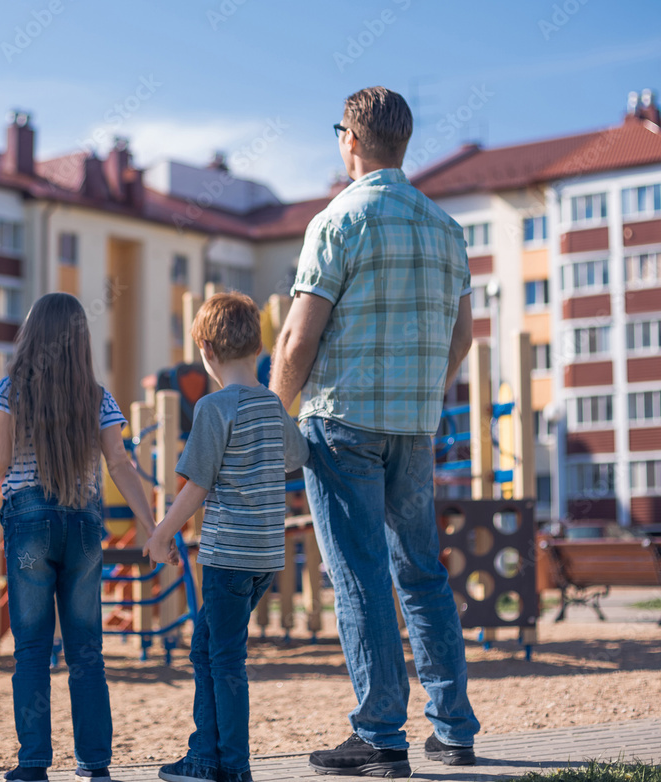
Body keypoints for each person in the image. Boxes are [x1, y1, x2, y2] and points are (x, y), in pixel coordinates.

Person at [269, 86, 480, 777]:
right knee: (421, 575)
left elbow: (299, 338)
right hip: (412, 426)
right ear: (405, 142)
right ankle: (452, 729)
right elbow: (463, 336)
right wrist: (425, 392)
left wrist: (273, 415)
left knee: (358, 576)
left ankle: (381, 735)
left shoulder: (340, 220)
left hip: (342, 422)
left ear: (350, 141)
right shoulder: (447, 229)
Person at [0, 292, 156, 782]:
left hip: (29, 522)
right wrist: (153, 526)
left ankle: (33, 765)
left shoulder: (12, 390)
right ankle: (95, 764)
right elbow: (120, 463)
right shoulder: (98, 396)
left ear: (31, 335)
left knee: (31, 649)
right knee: (86, 651)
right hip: (84, 525)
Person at [145, 293, 309, 782]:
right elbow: (294, 457)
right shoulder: (273, 407)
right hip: (264, 556)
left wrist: (161, 534)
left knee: (224, 659)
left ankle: (228, 765)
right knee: (210, 652)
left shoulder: (214, 408)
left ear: (207, 353)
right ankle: (208, 754)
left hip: (226, 557)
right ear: (256, 348)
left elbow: (196, 484)